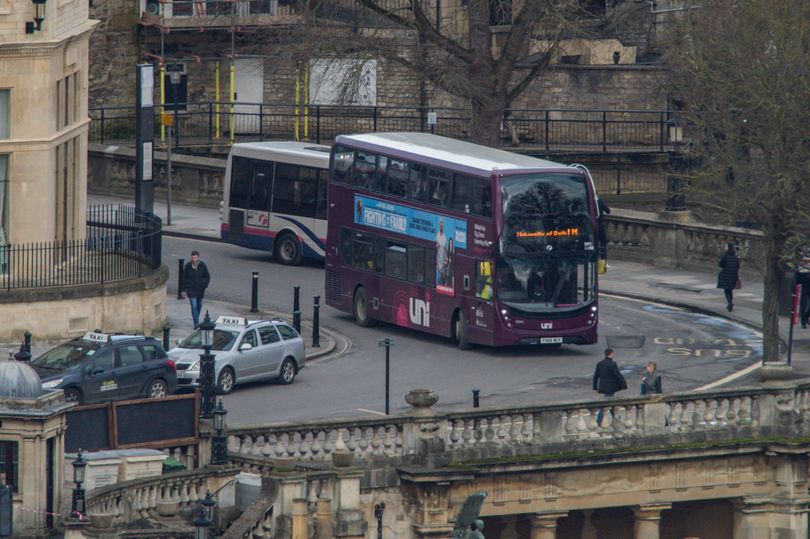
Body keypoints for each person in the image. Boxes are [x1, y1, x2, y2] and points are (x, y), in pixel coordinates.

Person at [593, 348, 627, 424]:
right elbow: (618, 375)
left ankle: (616, 418)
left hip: (603, 387)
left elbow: (595, 376)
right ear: (611, 354)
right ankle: (599, 420)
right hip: (611, 387)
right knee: (605, 404)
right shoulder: (612, 364)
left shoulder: (600, 363)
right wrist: (624, 385)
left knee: (610, 402)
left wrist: (595, 387)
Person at [183, 250, 211, 329]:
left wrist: (204, 285)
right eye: (192, 257)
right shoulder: (188, 266)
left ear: (198, 257)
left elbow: (207, 276)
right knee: (194, 305)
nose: (194, 259)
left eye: (195, 257)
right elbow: (184, 278)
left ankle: (196, 319)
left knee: (199, 305)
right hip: (191, 289)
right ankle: (196, 323)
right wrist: (184, 288)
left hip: (200, 289)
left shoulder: (202, 265)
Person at [716, 242, 741, 312]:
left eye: (726, 246)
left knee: (726, 290)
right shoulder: (735, 257)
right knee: (730, 289)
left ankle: (730, 302)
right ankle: (730, 302)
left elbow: (720, 265)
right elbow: (738, 266)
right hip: (733, 275)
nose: (725, 248)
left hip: (726, 274)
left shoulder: (725, 255)